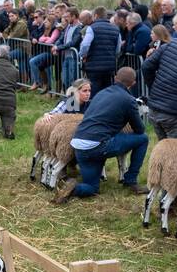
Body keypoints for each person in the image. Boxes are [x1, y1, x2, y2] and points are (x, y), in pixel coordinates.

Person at [57, 66, 148, 201]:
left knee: (92, 187)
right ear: (133, 83)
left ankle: (74, 189)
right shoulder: (129, 101)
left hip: (79, 145)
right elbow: (140, 130)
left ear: (116, 78)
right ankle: (130, 180)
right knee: (143, 139)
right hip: (98, 146)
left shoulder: (101, 93)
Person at [78, 6, 121, 96]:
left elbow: (85, 45)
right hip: (109, 67)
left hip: (94, 66)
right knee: (107, 92)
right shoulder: (116, 29)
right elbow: (118, 49)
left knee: (93, 92)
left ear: (96, 15)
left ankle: (93, 109)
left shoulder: (92, 28)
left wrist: (82, 55)